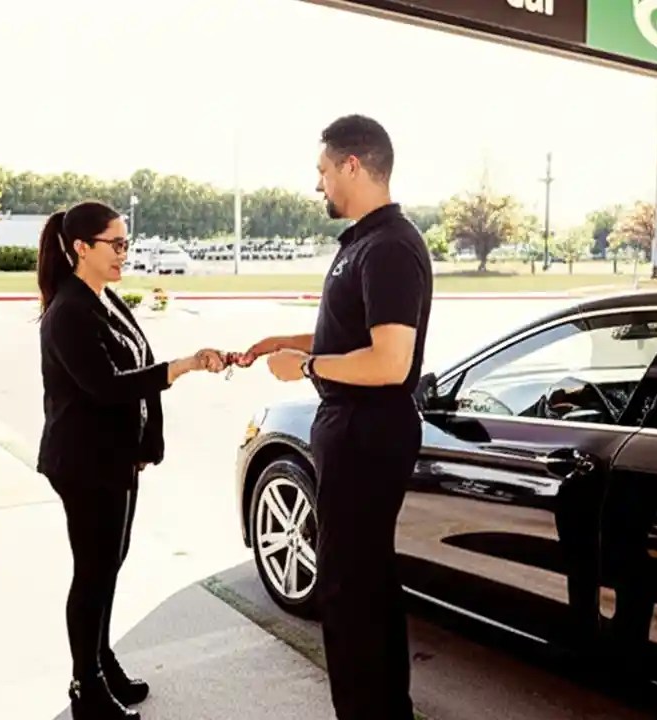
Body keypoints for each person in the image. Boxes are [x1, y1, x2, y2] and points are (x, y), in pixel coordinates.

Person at [237, 115, 432, 720]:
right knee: (359, 585)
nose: (316, 183)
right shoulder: (364, 243)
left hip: (369, 436)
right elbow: (349, 335)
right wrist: (282, 342)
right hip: (352, 433)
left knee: (351, 591)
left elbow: (390, 362)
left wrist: (307, 365)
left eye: (322, 170)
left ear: (353, 164)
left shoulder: (393, 247)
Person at [35, 200, 227, 720]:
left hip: (115, 460)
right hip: (83, 464)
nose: (125, 252)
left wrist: (146, 448)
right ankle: (86, 688)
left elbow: (138, 369)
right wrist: (184, 366)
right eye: (115, 244)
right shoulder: (68, 312)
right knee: (93, 572)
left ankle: (100, 660)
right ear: (81, 248)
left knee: (109, 565)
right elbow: (106, 388)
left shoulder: (106, 299)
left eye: (127, 242)